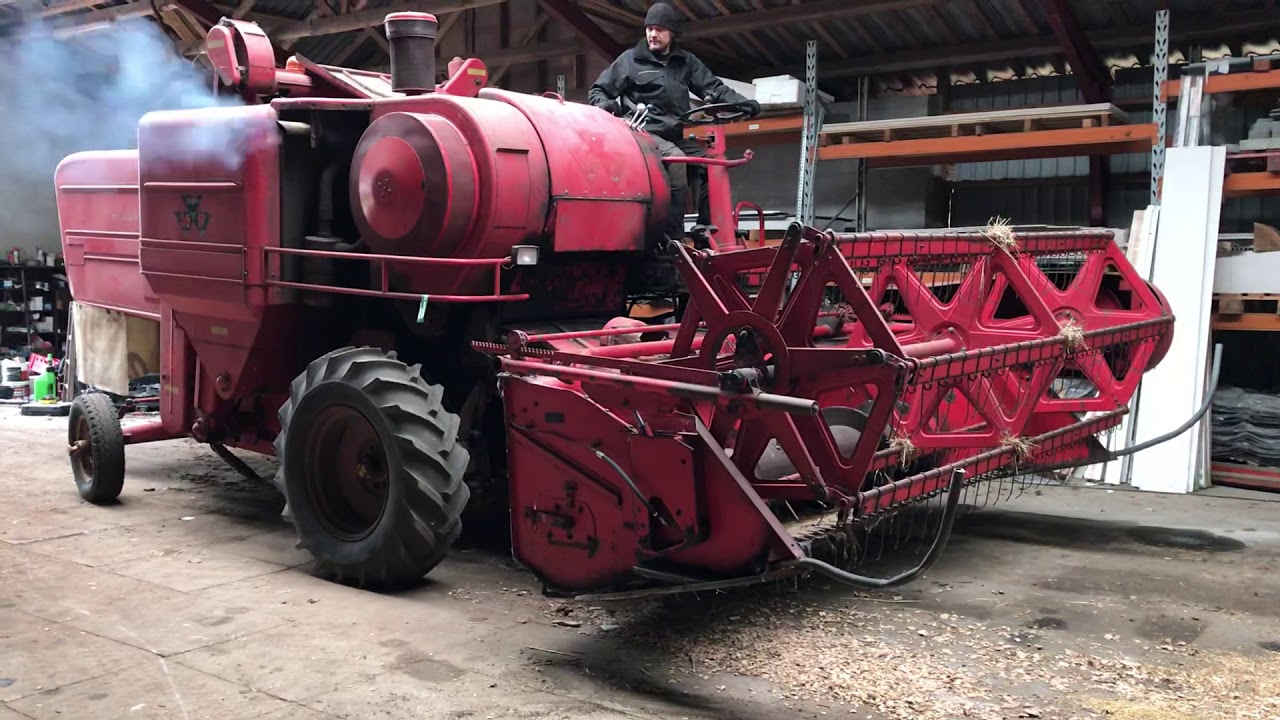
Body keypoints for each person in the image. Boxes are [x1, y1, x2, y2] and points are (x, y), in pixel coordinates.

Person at [588, 2, 760, 257]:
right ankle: (672, 240)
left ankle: (705, 230)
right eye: (649, 28)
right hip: (641, 134)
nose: (652, 34)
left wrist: (744, 103)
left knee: (711, 164)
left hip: (673, 134)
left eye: (659, 29)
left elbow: (713, 88)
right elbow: (598, 90)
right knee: (677, 162)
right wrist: (605, 105)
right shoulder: (630, 60)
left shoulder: (685, 62)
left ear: (672, 33)